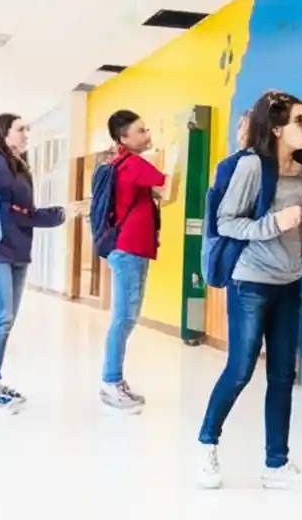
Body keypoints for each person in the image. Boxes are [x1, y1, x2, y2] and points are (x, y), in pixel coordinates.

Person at [196, 91, 302, 493]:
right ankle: (207, 446)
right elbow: (226, 222)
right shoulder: (253, 166)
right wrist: (273, 223)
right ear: (276, 128)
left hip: (289, 284)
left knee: (284, 375)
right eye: (300, 121)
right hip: (250, 282)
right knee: (240, 370)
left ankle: (277, 463)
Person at [0, 114, 68, 414]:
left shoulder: (20, 168)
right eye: (20, 129)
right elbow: (14, 210)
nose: (26, 134)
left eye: (27, 129)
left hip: (19, 250)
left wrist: (60, 213)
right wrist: (57, 214)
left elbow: (26, 212)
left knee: (7, 319)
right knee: (1, 316)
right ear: (3, 134)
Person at [99, 109, 180, 413]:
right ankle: (111, 381)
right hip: (130, 250)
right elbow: (169, 188)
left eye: (147, 129)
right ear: (124, 138)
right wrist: (176, 151)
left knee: (125, 317)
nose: (148, 135)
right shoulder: (133, 165)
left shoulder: (123, 164)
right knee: (124, 318)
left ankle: (113, 379)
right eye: (141, 131)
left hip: (129, 249)